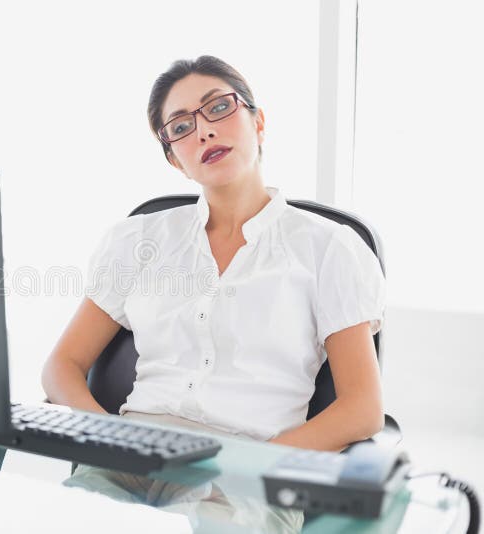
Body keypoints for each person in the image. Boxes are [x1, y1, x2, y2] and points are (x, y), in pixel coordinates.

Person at [41, 55, 386, 452]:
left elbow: (363, 409)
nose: (203, 131)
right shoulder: (137, 241)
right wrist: (107, 441)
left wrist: (254, 468)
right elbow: (61, 366)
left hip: (250, 464)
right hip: (134, 453)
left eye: (219, 108)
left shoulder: (329, 249)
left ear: (258, 123)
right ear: (176, 161)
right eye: (181, 127)